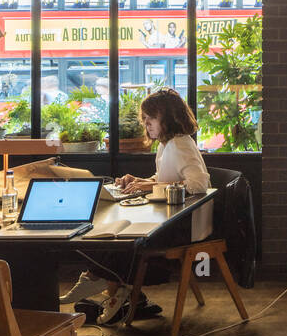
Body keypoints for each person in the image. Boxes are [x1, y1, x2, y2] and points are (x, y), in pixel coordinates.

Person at [62, 88, 212, 323]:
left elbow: (199, 183)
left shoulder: (180, 145)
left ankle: (103, 282)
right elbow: (166, 177)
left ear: (168, 118)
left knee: (119, 236)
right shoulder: (167, 144)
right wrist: (142, 181)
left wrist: (149, 187)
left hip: (183, 228)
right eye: (144, 119)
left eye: (150, 118)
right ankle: (118, 293)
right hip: (173, 219)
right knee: (115, 229)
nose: (146, 123)